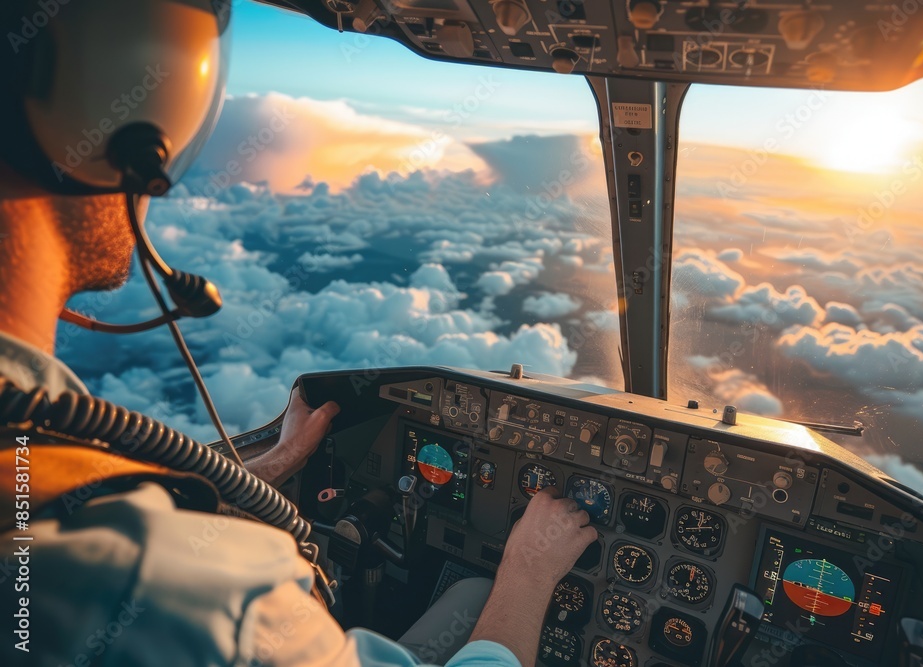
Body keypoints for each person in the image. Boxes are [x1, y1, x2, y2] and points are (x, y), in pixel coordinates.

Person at [0, 0, 598, 665]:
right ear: (114, 109)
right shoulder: (197, 604)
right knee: (480, 591)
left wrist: (276, 466)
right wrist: (529, 569)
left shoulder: (33, 449)